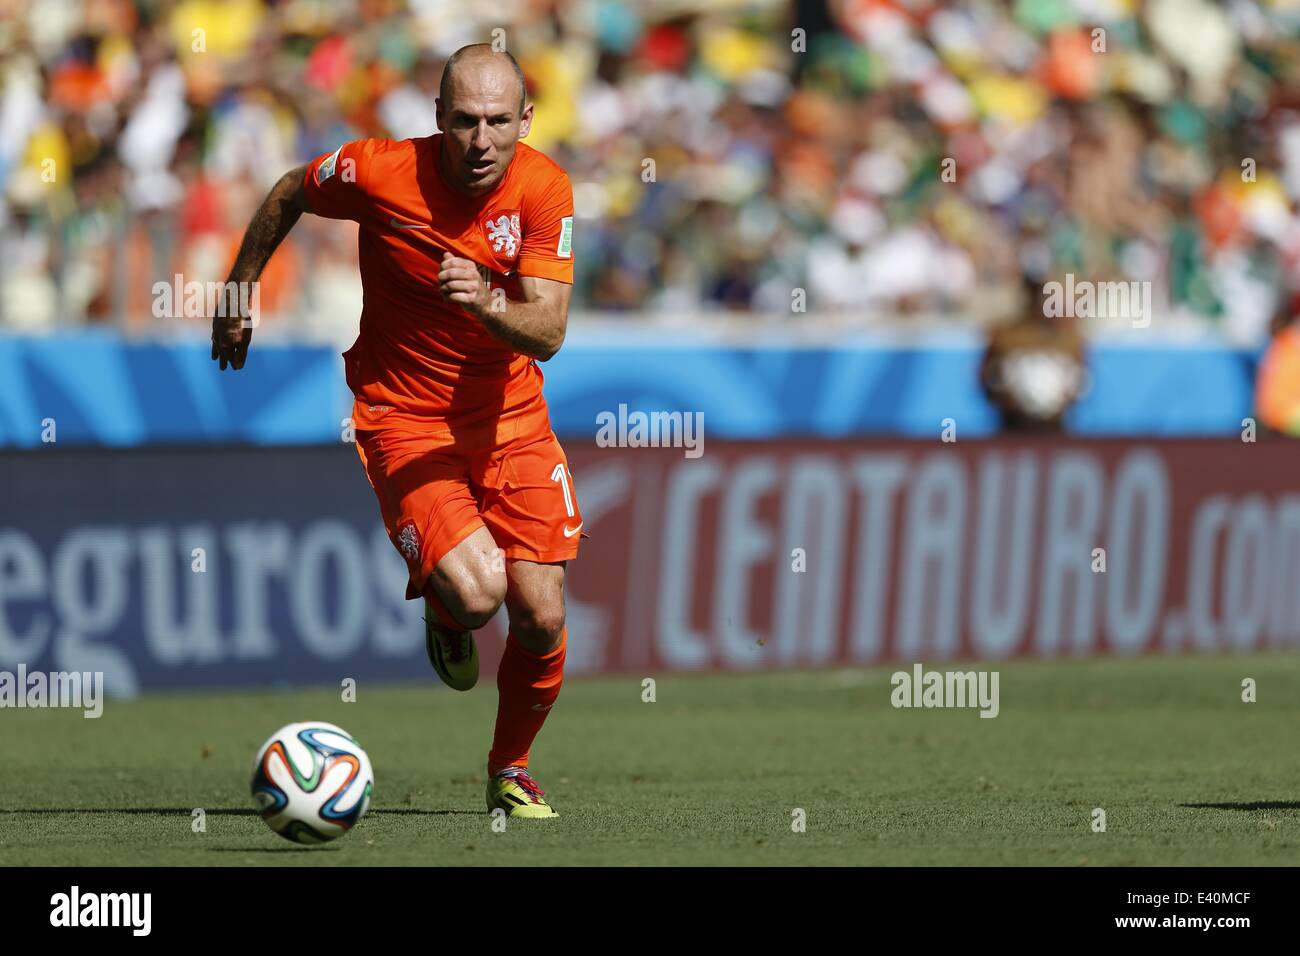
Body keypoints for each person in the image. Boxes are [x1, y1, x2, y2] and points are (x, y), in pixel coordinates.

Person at [211, 44, 581, 819]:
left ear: (526, 120)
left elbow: (547, 332)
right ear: (438, 119)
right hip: (404, 420)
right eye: (464, 122)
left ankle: (510, 768)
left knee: (542, 614)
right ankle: (446, 611)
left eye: (498, 123)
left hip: (513, 419)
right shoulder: (379, 172)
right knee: (481, 597)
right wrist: (239, 287)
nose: (481, 141)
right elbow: (290, 192)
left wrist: (481, 303)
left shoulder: (545, 189)